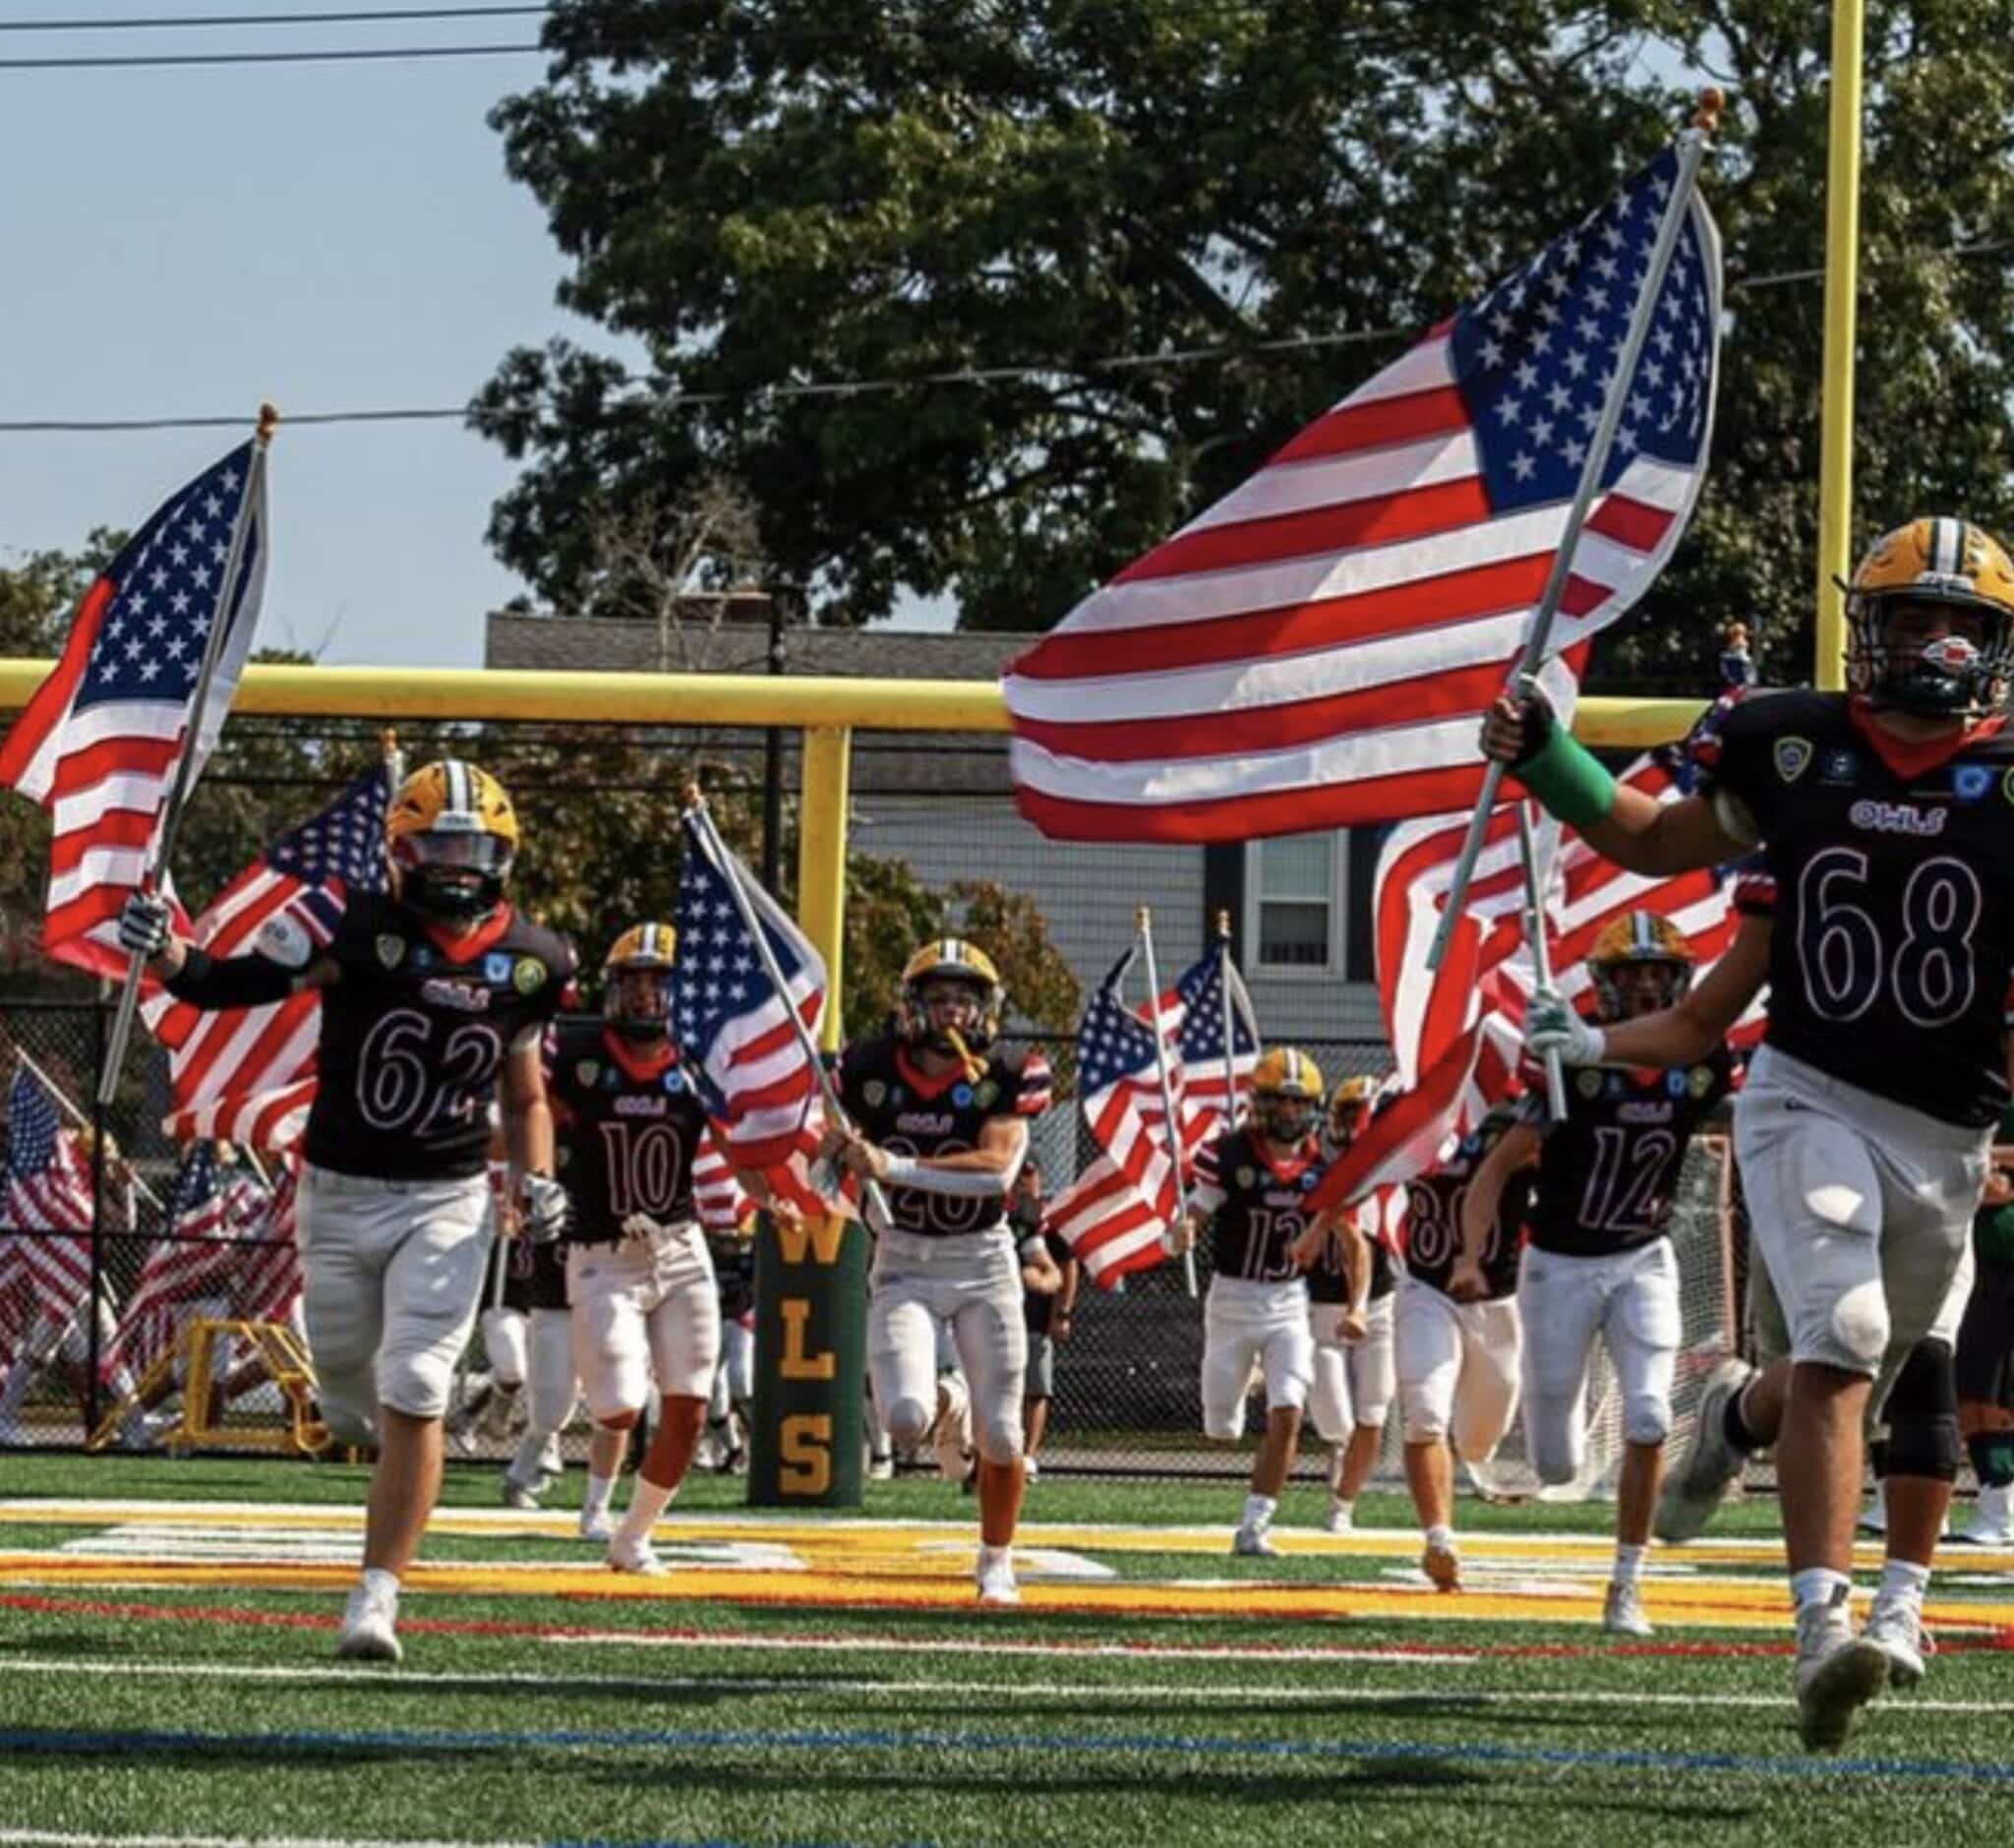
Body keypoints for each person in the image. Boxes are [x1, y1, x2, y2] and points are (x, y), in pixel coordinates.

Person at [1484, 515, 2014, 1749]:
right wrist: (1547, 758)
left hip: (1947, 1130)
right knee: (1849, 1333)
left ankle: (1731, 1422)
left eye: (1963, 624)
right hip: (1807, 1090)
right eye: (1913, 618)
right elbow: (1649, 837)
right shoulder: (1794, 744)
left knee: (1882, 1364)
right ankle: (1822, 1630)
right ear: (1865, 628)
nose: (1937, 644)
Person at [120, 759, 575, 1662]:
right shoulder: (350, 924)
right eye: (439, 846)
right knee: (345, 1391)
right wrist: (168, 953)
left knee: (417, 1382)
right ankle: (359, 1432)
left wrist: (535, 1179)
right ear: (401, 851)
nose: (457, 866)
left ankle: (376, 1594)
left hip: (446, 1196)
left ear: (504, 855)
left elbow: (525, 1095)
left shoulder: (536, 960)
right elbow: (223, 984)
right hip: (336, 1191)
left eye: (474, 848)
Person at [1527, 892, 1973, 1689]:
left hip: (1945, 1144)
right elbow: (1701, 1006)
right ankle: (1822, 1617)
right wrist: (1588, 1043)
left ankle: (1898, 1601)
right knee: (1839, 1348)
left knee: (1919, 1368)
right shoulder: (1815, 833)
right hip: (1815, 1122)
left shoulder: (1983, 851)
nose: (1644, 984)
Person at [1461, 914, 1733, 1639]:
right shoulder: (1569, 1062)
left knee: (1648, 1417)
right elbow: (1495, 1169)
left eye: (1658, 972)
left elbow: (1753, 1113)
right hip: (1558, 1265)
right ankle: (1561, 1460)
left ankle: (1626, 1585)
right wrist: (1469, 1256)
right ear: (1604, 985)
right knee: (1556, 1463)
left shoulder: (1704, 1058)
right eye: (1632, 973)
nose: (1646, 985)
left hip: (1643, 1256)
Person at [825, 938, 1052, 1605]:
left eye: (965, 998)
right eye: (939, 997)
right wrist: (833, 1157)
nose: (953, 1010)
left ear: (986, 1009)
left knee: (1004, 1432)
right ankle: (947, 1402)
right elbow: (823, 1157)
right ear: (912, 1006)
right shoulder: (867, 1067)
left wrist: (891, 1165)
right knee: (903, 1418)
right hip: (903, 1258)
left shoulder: (1006, 1071)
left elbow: (995, 1173)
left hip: (982, 1260)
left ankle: (996, 1561)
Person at [546, 922, 758, 1568]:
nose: (645, 995)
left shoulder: (698, 1065)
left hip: (679, 1248)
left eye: (659, 982)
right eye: (634, 981)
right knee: (619, 1402)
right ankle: (604, 1500)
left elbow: (738, 1149)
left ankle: (633, 1535)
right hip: (601, 1252)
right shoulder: (579, 1055)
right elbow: (531, 1116)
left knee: (690, 1406)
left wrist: (779, 1191)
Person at [1172, 1047, 1333, 1559]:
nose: (1290, 1112)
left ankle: (1255, 1524)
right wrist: (1184, 1229)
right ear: (1259, 1103)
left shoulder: (1321, 1164)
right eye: (1281, 1101)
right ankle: (1247, 1382)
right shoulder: (1230, 1154)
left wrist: (1354, 1299)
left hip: (1288, 1301)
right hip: (1233, 1300)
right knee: (1222, 1426)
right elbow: (1201, 1206)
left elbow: (1343, 1226)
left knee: (1289, 1409)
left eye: (1299, 1102)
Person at [1392, 1105, 1530, 1591]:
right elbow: (1361, 1165)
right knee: (1425, 1414)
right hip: (1427, 1288)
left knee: (1478, 1440)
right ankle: (1439, 1538)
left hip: (1496, 1300)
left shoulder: (1514, 1119)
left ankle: (1465, 1464)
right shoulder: (1408, 1110)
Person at [1296, 1076, 1395, 1535]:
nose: (1358, 1124)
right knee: (1335, 1418)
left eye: (1365, 1114)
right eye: (1351, 1113)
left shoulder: (1395, 1169)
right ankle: (1340, 1451)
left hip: (1379, 1304)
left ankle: (1343, 1504)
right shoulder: (1315, 1167)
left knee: (1373, 1411)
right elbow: (1344, 1239)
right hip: (1324, 1307)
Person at [1953, 1133, 2014, 1544]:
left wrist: (1981, 1160)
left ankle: (2003, 1505)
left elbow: (1997, 1188)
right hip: (1975, 1265)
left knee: (1997, 1391)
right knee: (1971, 1390)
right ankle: (1994, 1497)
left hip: (2006, 1269)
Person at [1013, 1158, 1077, 1481]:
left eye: (1029, 1174)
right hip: (996, 1315)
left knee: (1036, 1388)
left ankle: (1028, 1455)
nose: (1024, 1182)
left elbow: (1064, 1268)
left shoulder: (1049, 1219)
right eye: (1019, 1175)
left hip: (1035, 1317)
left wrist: (1061, 1313)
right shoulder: (996, 1212)